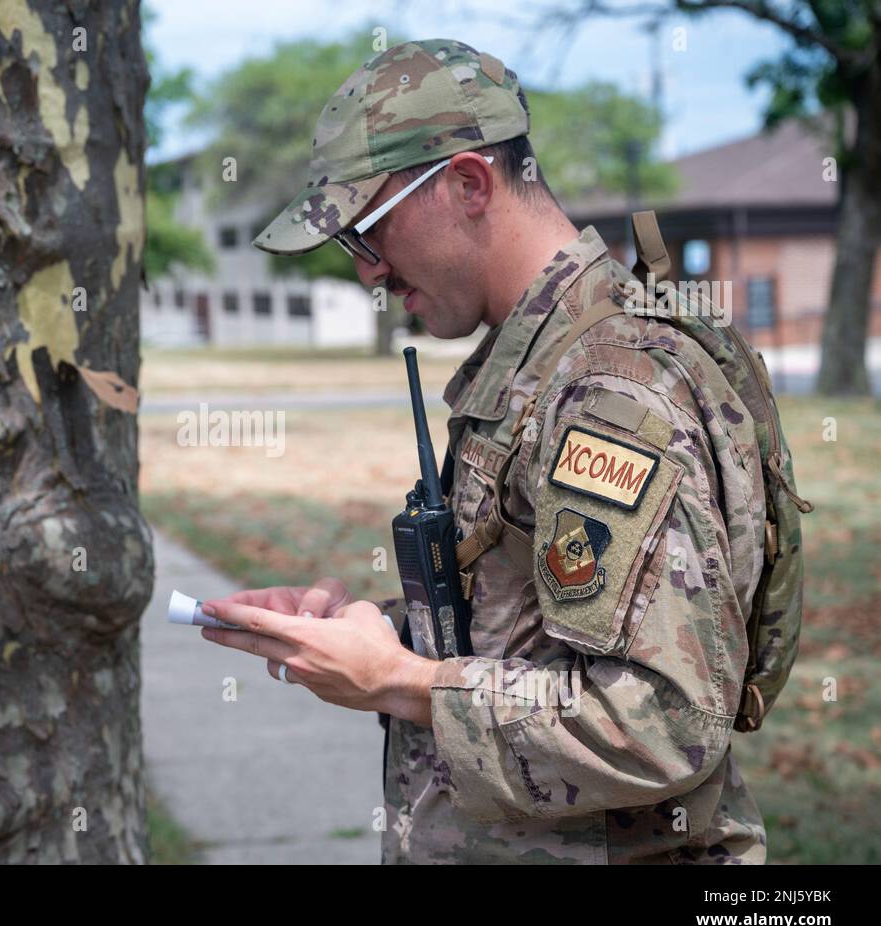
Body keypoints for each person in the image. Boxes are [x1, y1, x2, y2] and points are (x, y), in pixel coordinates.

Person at [198, 38, 782, 863]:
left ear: (469, 184)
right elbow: (541, 637)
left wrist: (402, 683)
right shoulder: (540, 365)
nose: (366, 272)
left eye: (366, 233)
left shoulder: (608, 390)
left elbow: (662, 722)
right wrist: (381, 638)